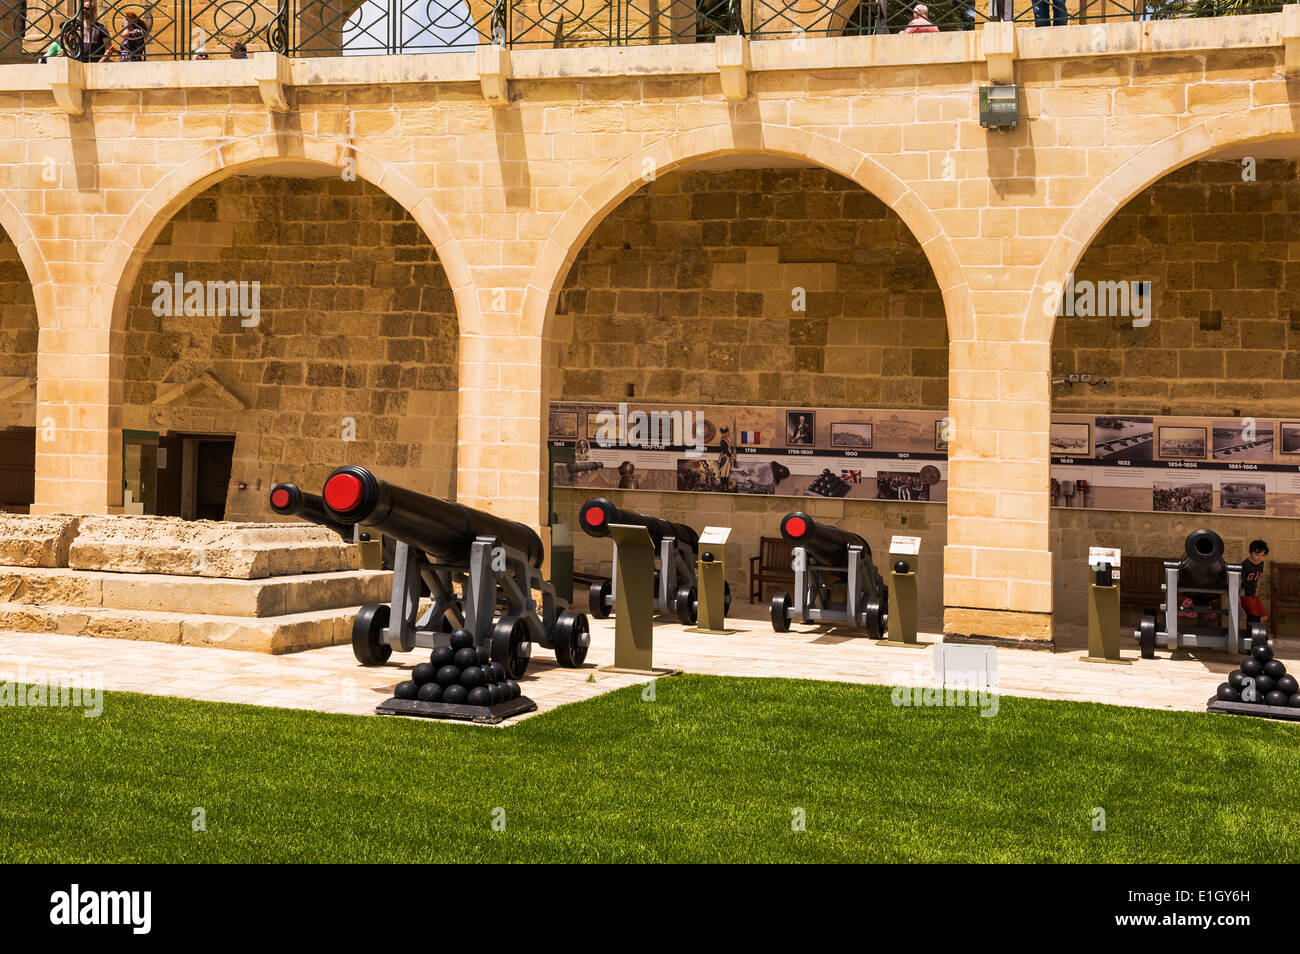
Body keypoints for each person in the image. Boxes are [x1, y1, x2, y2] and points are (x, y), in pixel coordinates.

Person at [1241, 539, 1269, 622]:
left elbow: (1258, 576)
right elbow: (1239, 581)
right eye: (1256, 555)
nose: (1259, 558)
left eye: (1262, 555)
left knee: (1263, 616)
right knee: (1254, 616)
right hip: (1245, 594)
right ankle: (1252, 633)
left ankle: (1256, 632)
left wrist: (1257, 588)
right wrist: (1238, 597)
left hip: (1253, 593)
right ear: (1250, 552)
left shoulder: (1261, 563)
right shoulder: (1245, 564)